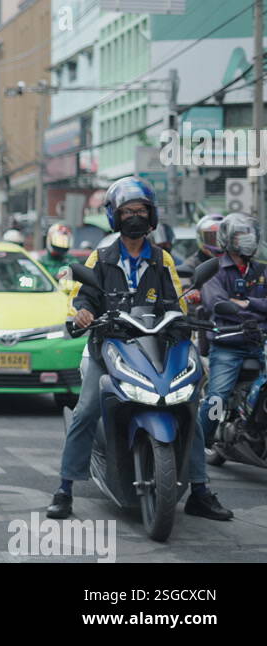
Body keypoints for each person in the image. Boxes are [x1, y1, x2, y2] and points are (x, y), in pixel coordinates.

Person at [46, 176, 232, 521]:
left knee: (188, 404)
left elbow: (178, 305)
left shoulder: (164, 261)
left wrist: (186, 306)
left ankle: (200, 490)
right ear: (115, 217)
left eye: (141, 210)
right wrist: (84, 312)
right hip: (109, 348)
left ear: (152, 215)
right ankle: (65, 489)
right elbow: (82, 297)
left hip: (155, 349)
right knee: (86, 409)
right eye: (127, 211)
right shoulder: (98, 259)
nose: (135, 216)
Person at [196, 213, 267, 448]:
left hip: (260, 343)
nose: (247, 239)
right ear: (227, 238)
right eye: (240, 234)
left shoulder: (261, 270)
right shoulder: (214, 269)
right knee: (217, 399)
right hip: (229, 345)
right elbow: (217, 304)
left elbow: (244, 306)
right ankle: (198, 447)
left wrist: (248, 304)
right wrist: (255, 314)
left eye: (250, 234)